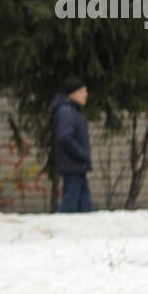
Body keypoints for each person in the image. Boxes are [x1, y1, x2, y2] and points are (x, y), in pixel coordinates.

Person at [51, 75, 92, 213]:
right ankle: (58, 231)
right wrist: (82, 154)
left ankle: (87, 233)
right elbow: (64, 138)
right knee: (69, 207)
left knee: (84, 207)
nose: (86, 94)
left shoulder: (73, 111)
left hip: (78, 167)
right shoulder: (67, 112)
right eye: (83, 91)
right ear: (74, 93)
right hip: (73, 166)